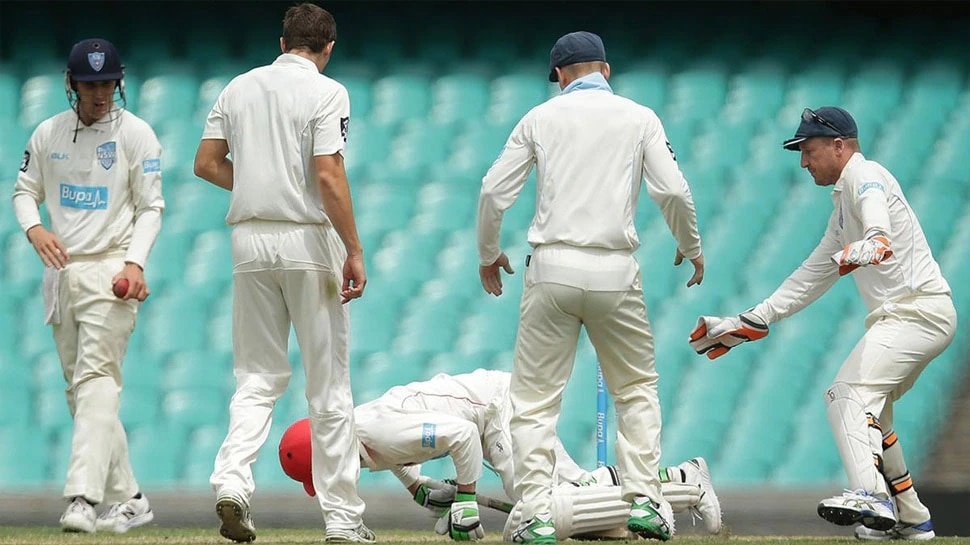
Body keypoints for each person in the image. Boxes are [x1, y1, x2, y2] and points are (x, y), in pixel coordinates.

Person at [475, 31, 705, 543]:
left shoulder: (540, 116)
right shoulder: (639, 116)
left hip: (552, 266)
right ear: (607, 69)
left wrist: (488, 253)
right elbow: (671, 188)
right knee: (637, 390)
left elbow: (493, 190)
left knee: (534, 402)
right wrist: (690, 244)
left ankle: (535, 515)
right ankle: (646, 500)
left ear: (560, 74)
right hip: (616, 268)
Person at [689, 106, 955, 541]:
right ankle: (912, 517)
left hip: (917, 313)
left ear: (839, 146)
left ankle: (870, 495)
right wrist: (755, 319)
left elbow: (877, 224)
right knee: (876, 416)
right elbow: (815, 271)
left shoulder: (865, 177)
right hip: (912, 315)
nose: (803, 162)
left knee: (845, 394)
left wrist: (875, 241)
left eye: (809, 151)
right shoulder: (842, 204)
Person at [192, 3, 370, 543]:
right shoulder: (327, 91)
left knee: (257, 377)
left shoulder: (239, 87)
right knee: (328, 386)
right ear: (328, 46)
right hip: (305, 238)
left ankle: (232, 482)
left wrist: (257, 189)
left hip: (248, 240)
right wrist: (354, 248)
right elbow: (328, 175)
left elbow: (204, 163)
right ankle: (342, 520)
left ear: (282, 40)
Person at [278, 369, 722, 541]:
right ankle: (675, 485)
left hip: (498, 407)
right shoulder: (360, 436)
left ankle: (683, 481)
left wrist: (467, 500)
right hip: (492, 410)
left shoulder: (375, 429)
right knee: (573, 501)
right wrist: (417, 487)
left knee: (541, 505)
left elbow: (461, 435)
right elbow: (394, 451)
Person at [11, 38, 162, 534]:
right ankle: (132, 498)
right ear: (71, 84)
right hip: (62, 274)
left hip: (111, 271)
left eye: (106, 84)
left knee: (98, 382)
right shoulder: (48, 132)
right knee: (81, 394)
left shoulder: (136, 134)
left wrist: (135, 263)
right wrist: (35, 229)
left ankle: (82, 497)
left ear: (118, 83)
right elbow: (24, 192)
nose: (99, 95)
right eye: (89, 84)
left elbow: (150, 208)